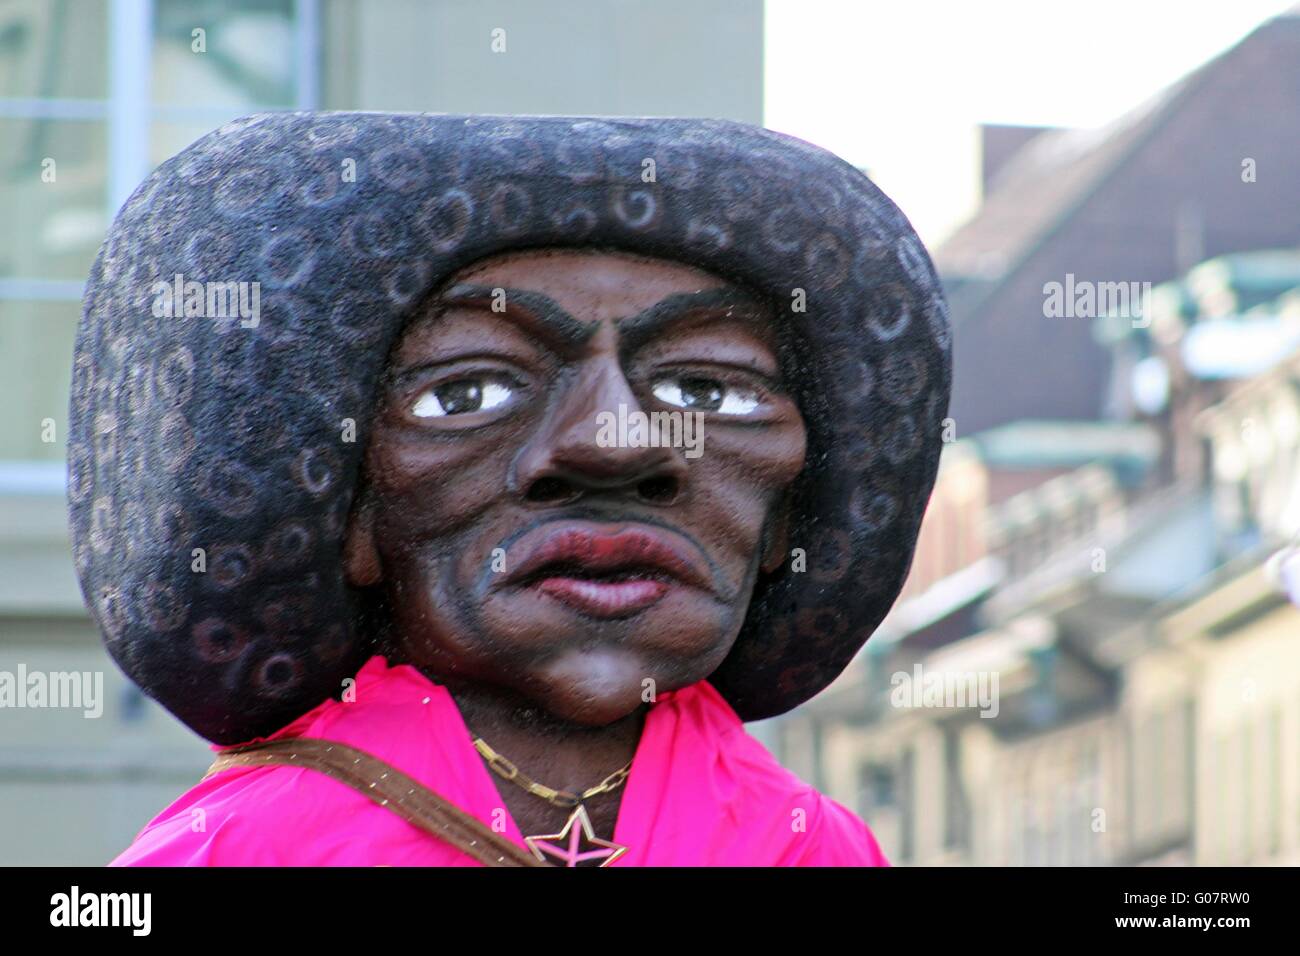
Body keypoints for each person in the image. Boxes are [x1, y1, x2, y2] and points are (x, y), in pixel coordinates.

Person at [68, 112, 951, 866]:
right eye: (466, 394)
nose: (613, 445)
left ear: (787, 511)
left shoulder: (811, 848)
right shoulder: (245, 852)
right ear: (352, 510)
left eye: (705, 392)